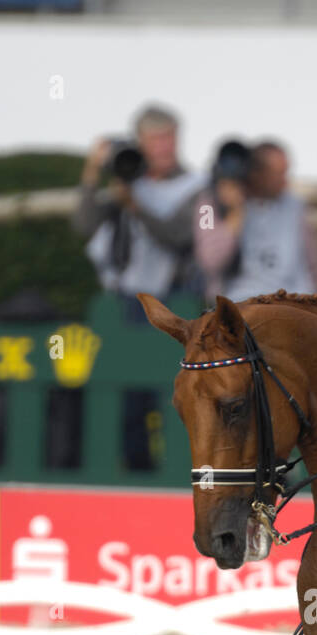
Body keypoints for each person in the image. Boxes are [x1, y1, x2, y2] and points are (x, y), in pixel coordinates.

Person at [72, 105, 203, 468]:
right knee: (125, 394)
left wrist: (136, 205)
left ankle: (177, 472)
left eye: (168, 138)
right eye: (154, 139)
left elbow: (178, 237)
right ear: (140, 142)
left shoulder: (194, 187)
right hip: (122, 302)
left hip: (173, 301)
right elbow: (83, 225)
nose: (163, 147)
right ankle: (134, 469)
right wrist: (93, 170)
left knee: (172, 391)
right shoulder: (125, 182)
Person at [194, 141, 317, 303]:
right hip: (239, 305)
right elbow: (209, 261)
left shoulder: (296, 207)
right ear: (255, 174)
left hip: (294, 304)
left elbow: (314, 265)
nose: (285, 182)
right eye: (278, 174)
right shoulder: (208, 206)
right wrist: (234, 213)